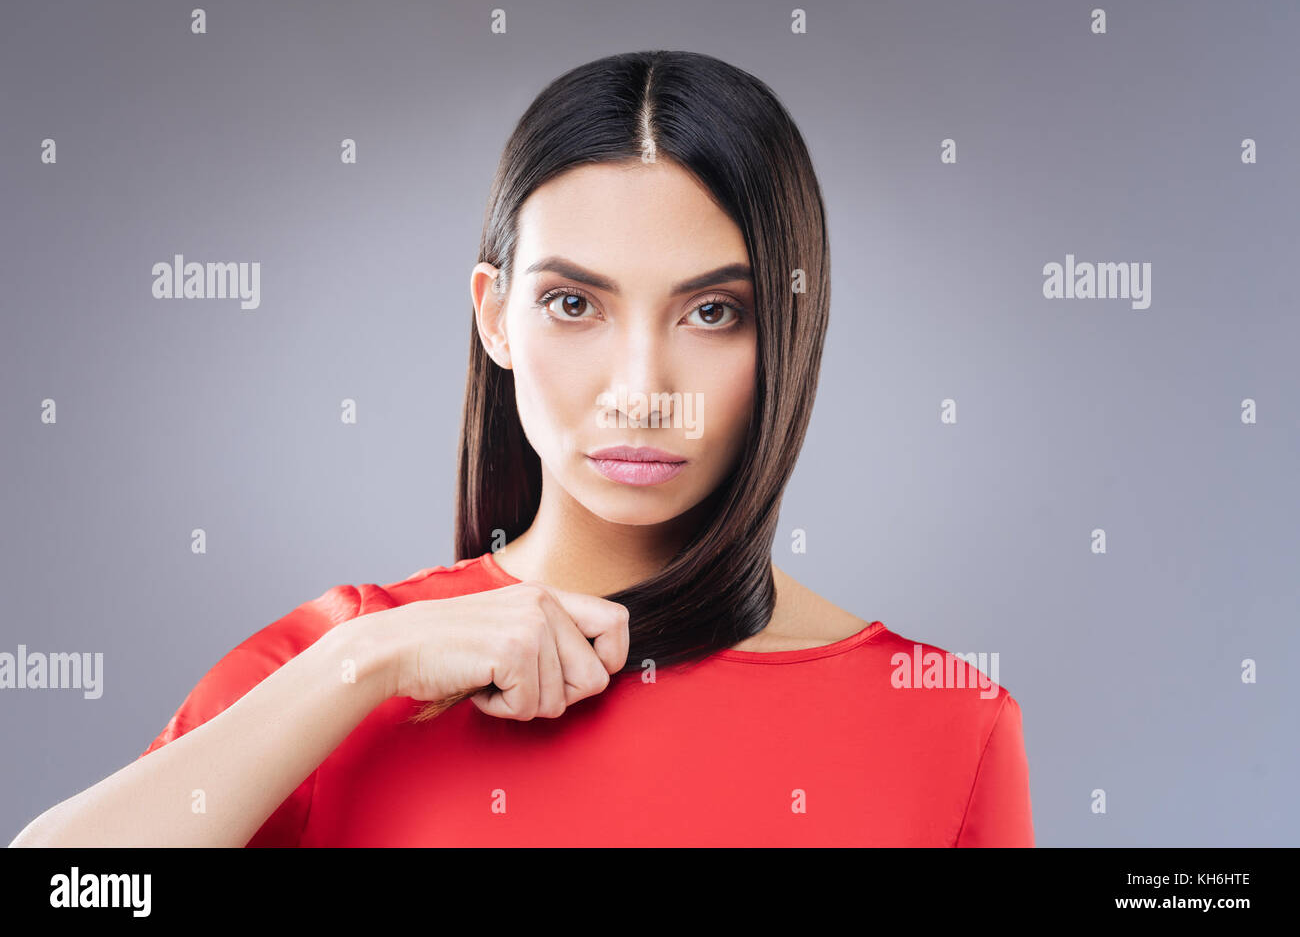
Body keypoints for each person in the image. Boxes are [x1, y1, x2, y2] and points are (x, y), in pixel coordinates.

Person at [9, 49, 1033, 847]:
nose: (641, 391)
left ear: (792, 333)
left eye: (714, 311)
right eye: (573, 303)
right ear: (494, 319)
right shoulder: (343, 667)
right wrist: (370, 662)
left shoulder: (949, 726)